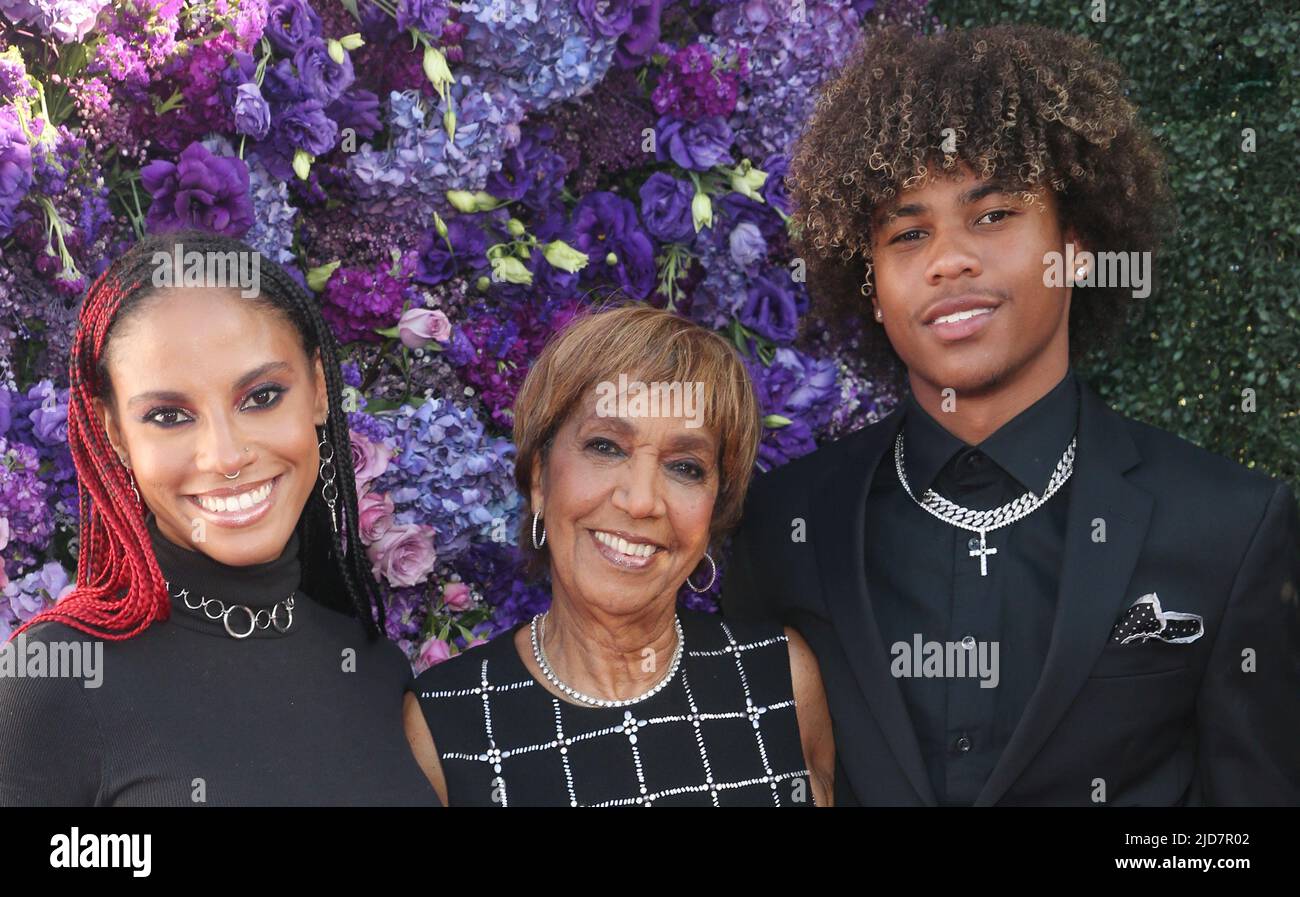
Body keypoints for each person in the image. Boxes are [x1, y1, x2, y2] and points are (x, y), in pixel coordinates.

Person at [722, 24, 1300, 806]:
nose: (949, 259)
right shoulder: (783, 526)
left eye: (992, 215)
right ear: (871, 285)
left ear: (1079, 243)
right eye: (908, 231)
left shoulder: (1228, 527)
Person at [0, 230, 439, 806]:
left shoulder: (375, 670)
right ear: (116, 436)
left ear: (318, 391)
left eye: (261, 397)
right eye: (167, 415)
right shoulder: (51, 682)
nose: (226, 456)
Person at [404, 305, 834, 806]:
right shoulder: (445, 725)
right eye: (606, 447)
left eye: (685, 467)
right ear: (541, 478)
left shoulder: (780, 676)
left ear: (714, 509)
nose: (641, 500)